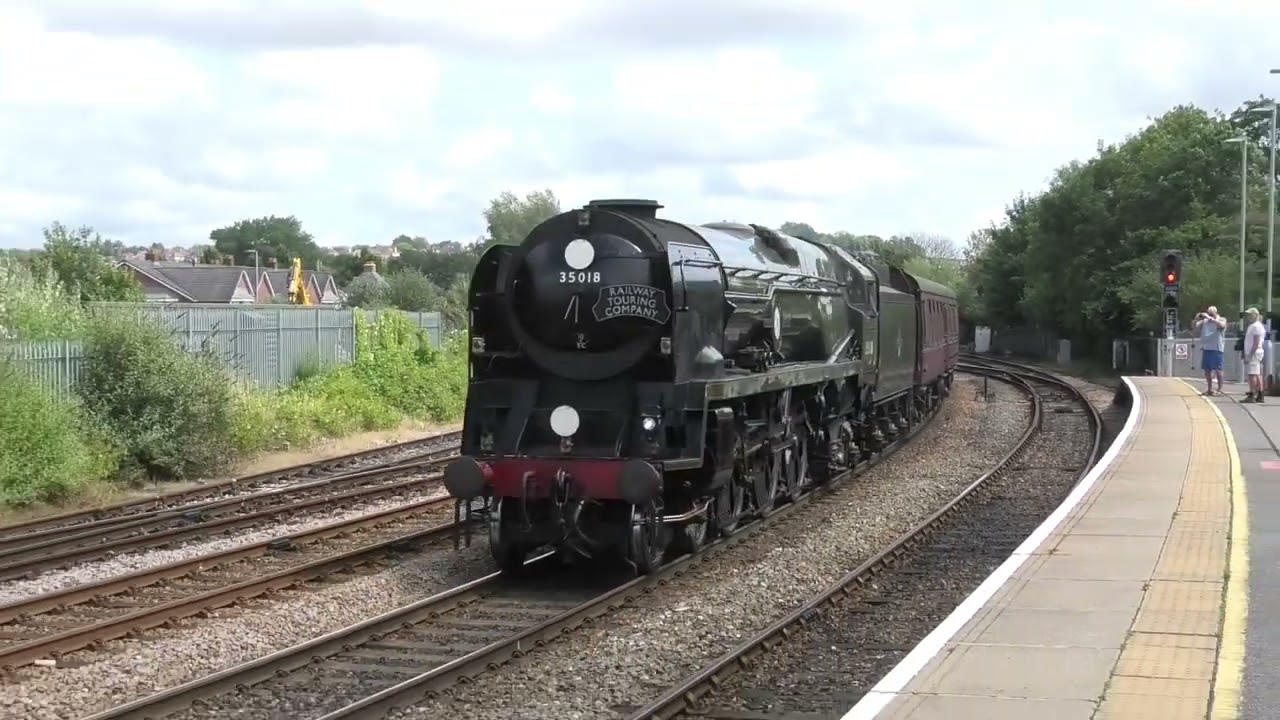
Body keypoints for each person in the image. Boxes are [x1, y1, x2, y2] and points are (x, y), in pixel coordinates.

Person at [1194, 306, 1227, 395]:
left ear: (1215, 313)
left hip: (1216, 348)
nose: (1209, 315)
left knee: (1218, 369)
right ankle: (1209, 389)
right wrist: (1197, 318)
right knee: (1207, 370)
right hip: (1206, 347)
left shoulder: (1221, 319)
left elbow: (1222, 326)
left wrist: (1210, 318)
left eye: (1211, 313)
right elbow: (1195, 326)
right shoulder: (1205, 322)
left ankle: (1220, 389)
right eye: (1208, 313)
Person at [1244, 307, 1267, 403]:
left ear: (1255, 315)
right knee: (1257, 374)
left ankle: (1252, 394)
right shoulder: (1256, 325)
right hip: (1256, 352)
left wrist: (1249, 354)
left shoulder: (1256, 326)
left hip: (1254, 353)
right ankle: (1260, 394)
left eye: (1250, 314)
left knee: (1252, 374)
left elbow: (1256, 342)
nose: (1249, 316)